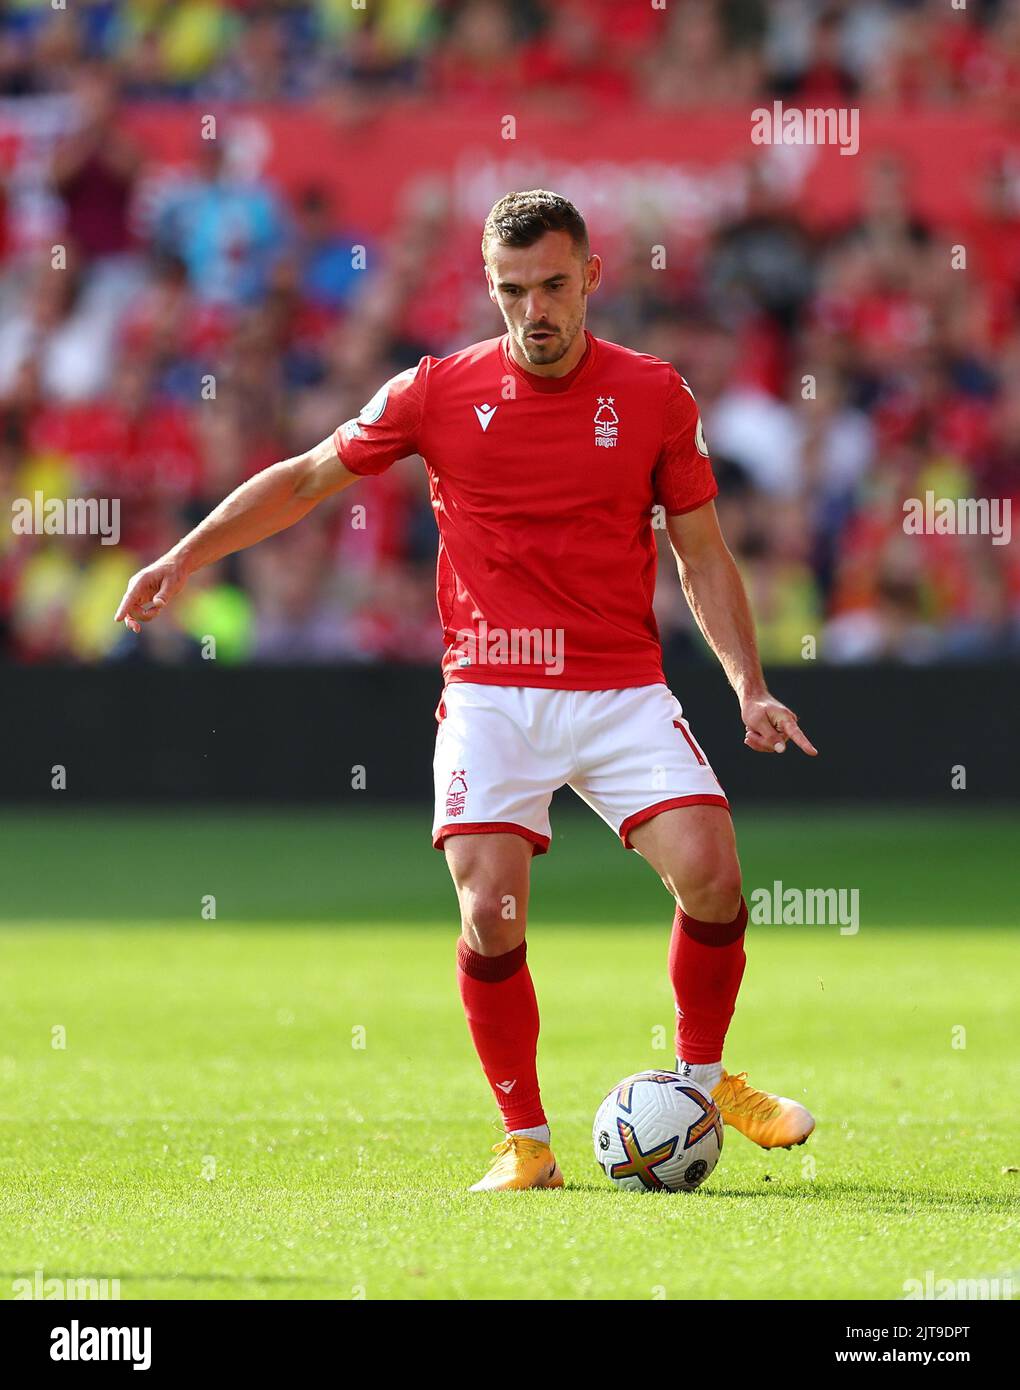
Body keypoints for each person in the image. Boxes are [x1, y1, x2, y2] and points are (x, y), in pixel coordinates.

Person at [115, 190, 819, 1191]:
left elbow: (700, 552)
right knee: (490, 911)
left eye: (553, 286)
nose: (535, 310)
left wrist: (747, 684)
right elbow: (309, 476)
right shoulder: (435, 391)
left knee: (711, 870)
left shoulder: (656, 393)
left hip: (620, 684)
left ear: (591, 280)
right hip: (491, 688)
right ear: (490, 288)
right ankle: (526, 1141)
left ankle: (700, 1085)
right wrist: (183, 557)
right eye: (512, 290)